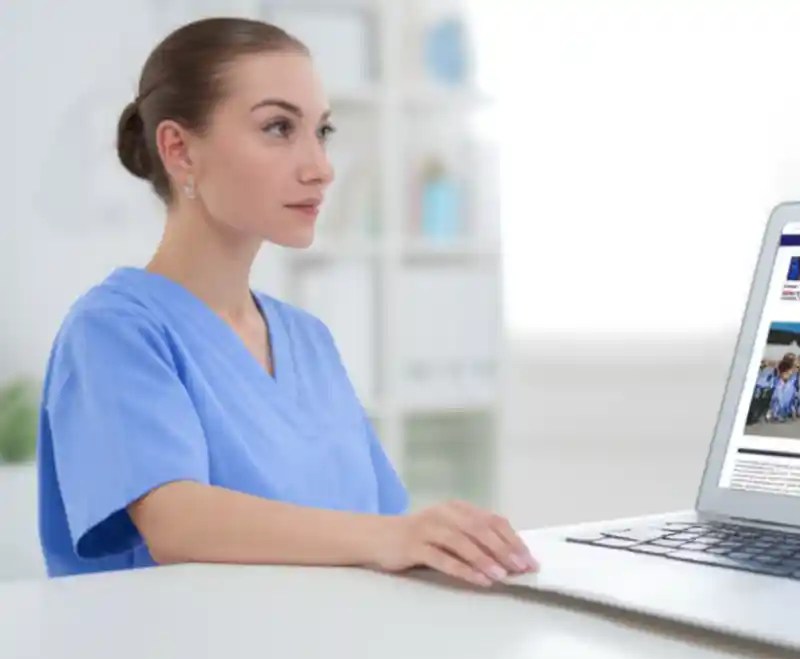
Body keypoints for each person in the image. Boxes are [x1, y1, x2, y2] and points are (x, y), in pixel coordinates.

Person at [35, 18, 536, 585]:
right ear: (179, 149)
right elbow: (177, 522)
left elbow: (378, 522)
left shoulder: (307, 339)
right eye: (278, 128)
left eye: (322, 131)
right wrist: (392, 537)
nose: (320, 168)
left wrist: (447, 542)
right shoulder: (113, 331)